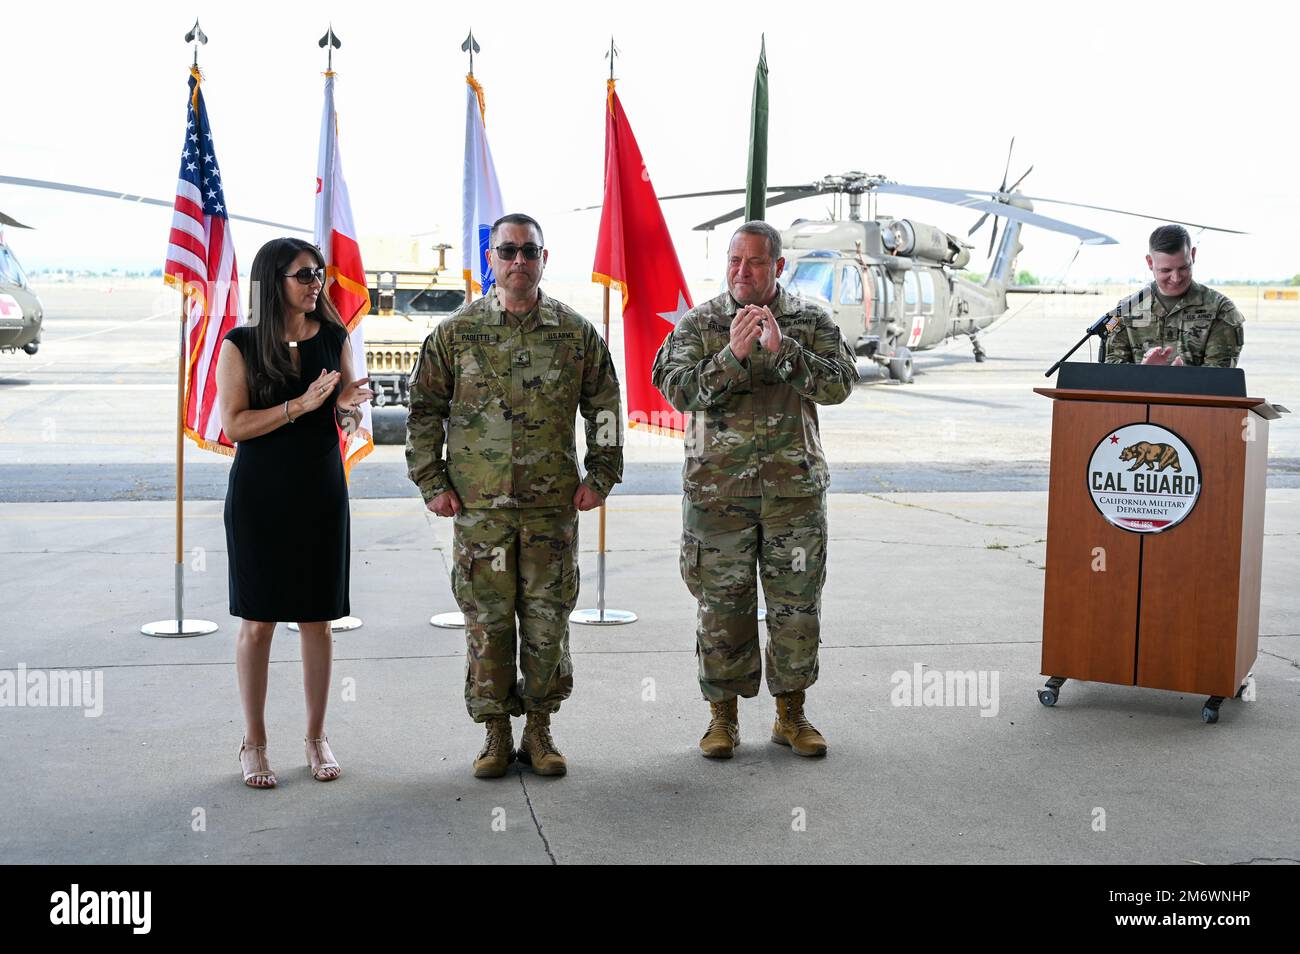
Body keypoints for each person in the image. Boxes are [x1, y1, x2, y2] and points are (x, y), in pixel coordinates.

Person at [406, 213, 623, 779]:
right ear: (492, 261)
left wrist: (600, 475)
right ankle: (496, 731)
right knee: (488, 622)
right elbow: (424, 411)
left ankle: (540, 728)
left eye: (529, 251)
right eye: (508, 251)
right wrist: (432, 482)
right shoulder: (455, 334)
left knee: (548, 621)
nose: (519, 261)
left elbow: (604, 408)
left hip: (552, 509)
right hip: (480, 511)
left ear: (544, 259)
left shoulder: (575, 334)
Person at [651, 221, 859, 760]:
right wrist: (732, 358)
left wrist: (784, 350)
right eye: (734, 261)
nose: (743, 272)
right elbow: (675, 390)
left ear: (779, 267)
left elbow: (839, 385)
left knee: (796, 608)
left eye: (756, 263)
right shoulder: (699, 323)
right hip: (718, 497)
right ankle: (722, 718)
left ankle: (792, 714)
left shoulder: (810, 322)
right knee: (723, 609)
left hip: (794, 497)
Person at [217, 237, 373, 789]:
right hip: (261, 494)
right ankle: (254, 742)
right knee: (257, 621)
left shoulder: (334, 336)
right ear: (273, 281)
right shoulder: (240, 345)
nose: (317, 284)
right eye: (304, 275)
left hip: (320, 490)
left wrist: (349, 408)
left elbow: (344, 417)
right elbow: (234, 426)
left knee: (317, 618)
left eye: (320, 274)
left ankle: (315, 735)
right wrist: (301, 405)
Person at [1105, 224, 1243, 367]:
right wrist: (1144, 372)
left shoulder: (1221, 310)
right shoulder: (1126, 308)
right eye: (1166, 270)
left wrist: (1182, 378)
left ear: (1193, 255)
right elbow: (1112, 367)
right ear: (1150, 262)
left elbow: (1219, 376)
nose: (1176, 278)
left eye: (1183, 268)